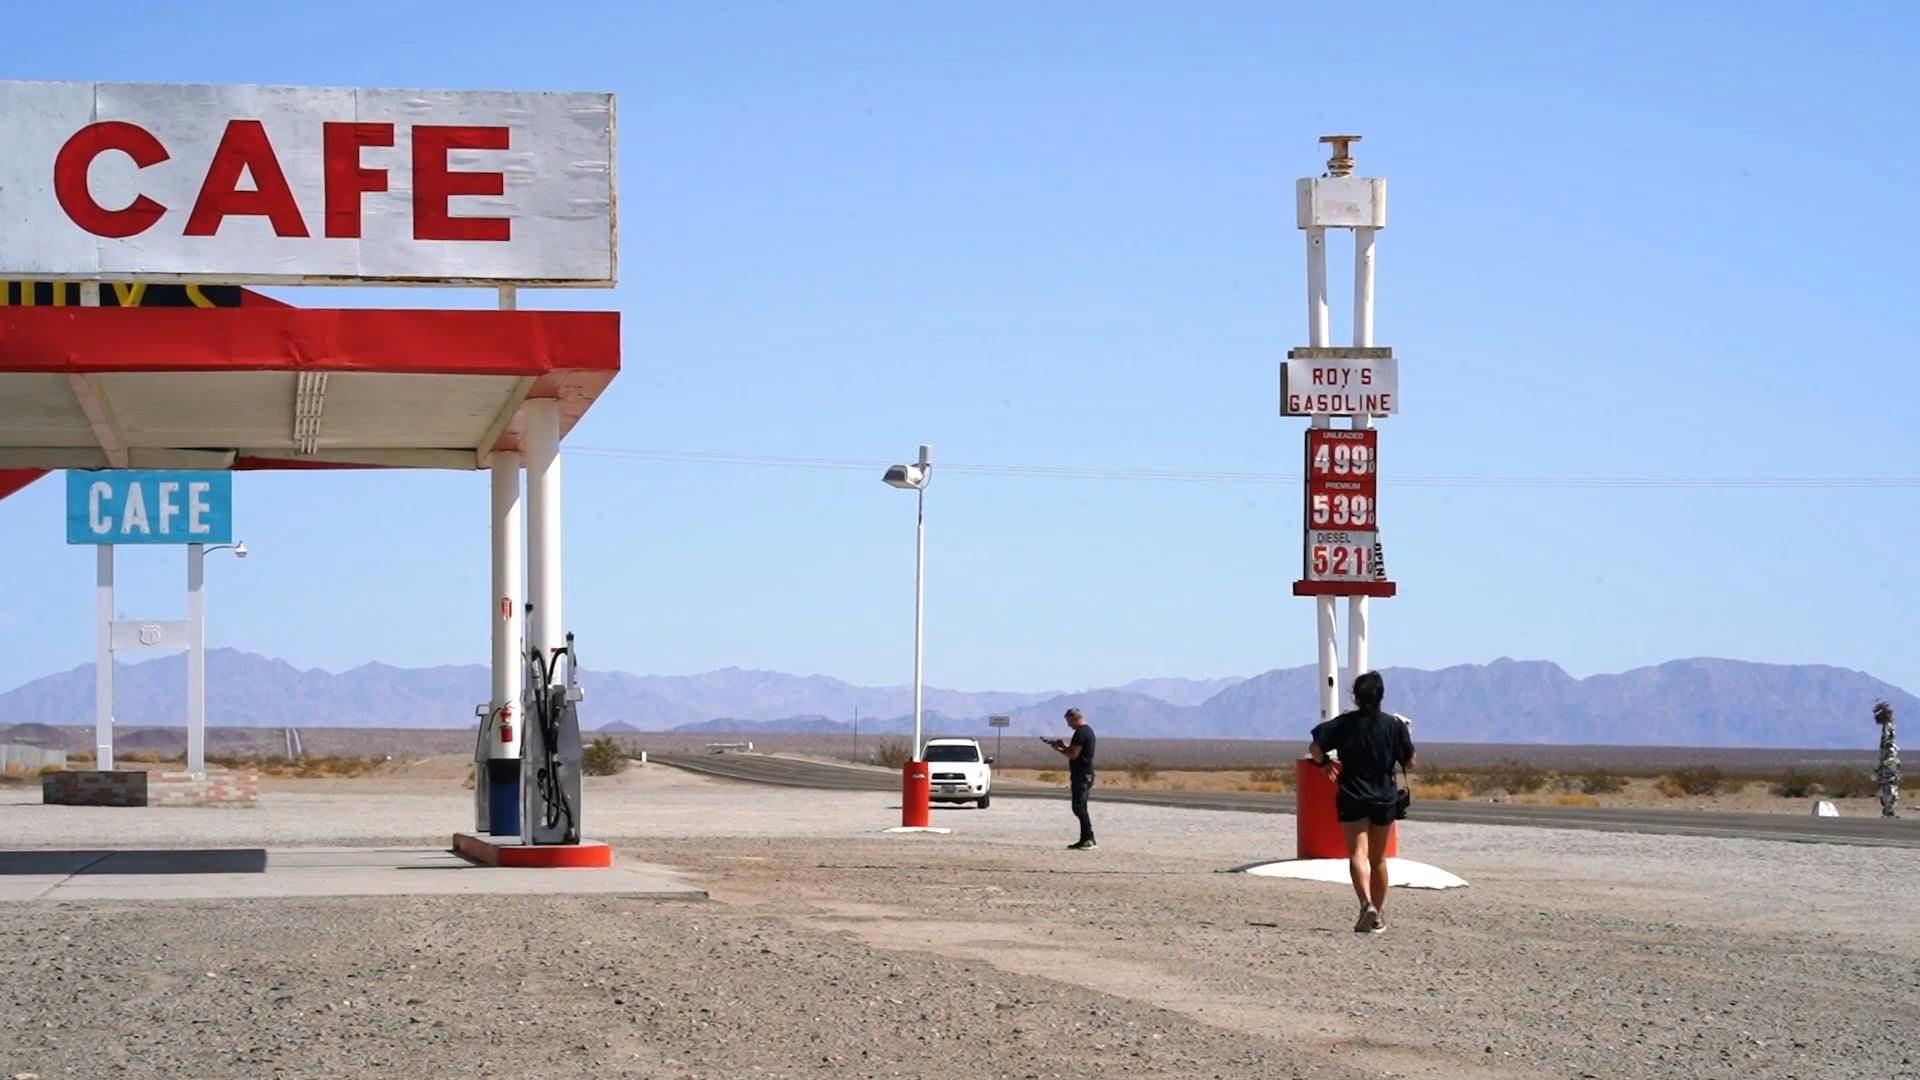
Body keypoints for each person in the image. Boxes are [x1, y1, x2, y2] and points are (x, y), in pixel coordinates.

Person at [1309, 671, 1415, 933]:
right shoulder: (1393, 725)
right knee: (1378, 858)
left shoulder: (1344, 724)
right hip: (1384, 796)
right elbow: (1410, 762)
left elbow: (1315, 747)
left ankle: (1365, 903)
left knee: (1358, 853)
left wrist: (1324, 764)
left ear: (1355, 697)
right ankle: (1377, 915)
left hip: (1353, 793)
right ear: (1381, 696)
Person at [1044, 707, 1097, 849]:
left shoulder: (1081, 733)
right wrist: (1063, 746)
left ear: (1074, 718)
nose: (1068, 725)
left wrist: (1059, 750)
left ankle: (1089, 838)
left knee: (1079, 807)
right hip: (1083, 774)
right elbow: (1074, 750)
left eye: (1069, 722)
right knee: (1080, 807)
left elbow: (1073, 755)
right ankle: (1085, 838)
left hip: (1082, 774)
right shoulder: (1086, 732)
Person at [1874, 700, 1900, 819]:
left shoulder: (1889, 726)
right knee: (1888, 787)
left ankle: (1889, 809)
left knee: (1891, 787)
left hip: (1889, 762)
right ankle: (1887, 810)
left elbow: (1887, 743)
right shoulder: (1888, 727)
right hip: (1888, 762)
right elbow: (1886, 743)